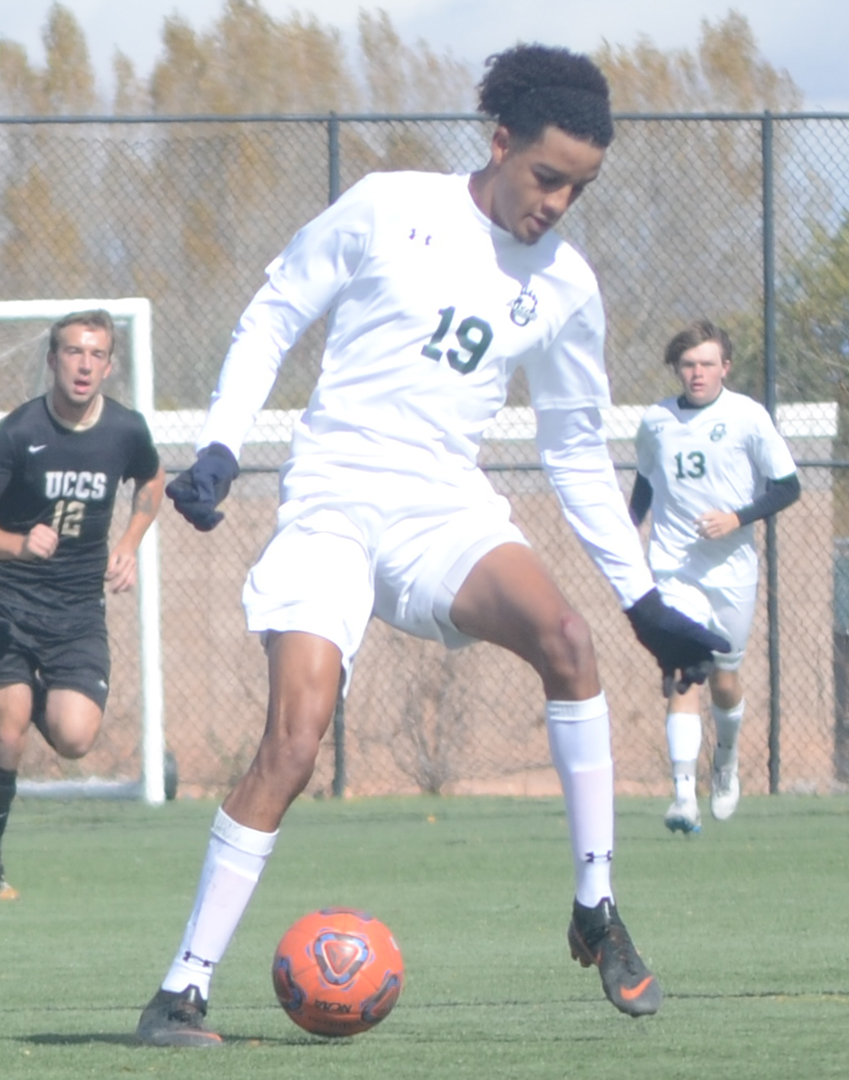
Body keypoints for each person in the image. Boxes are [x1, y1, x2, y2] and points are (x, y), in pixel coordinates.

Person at [137, 44, 727, 1047]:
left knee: (571, 644)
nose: (557, 203)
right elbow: (276, 310)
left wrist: (642, 599)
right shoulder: (388, 206)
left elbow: (576, 453)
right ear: (499, 144)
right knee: (296, 735)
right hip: (332, 501)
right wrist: (222, 446)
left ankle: (596, 906)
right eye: (547, 176)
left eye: (579, 189)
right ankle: (181, 990)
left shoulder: (569, 290)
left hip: (443, 508)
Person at [0, 308, 163, 900]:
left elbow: (151, 479)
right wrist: (18, 544)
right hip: (8, 606)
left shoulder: (124, 430)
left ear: (110, 365)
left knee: (74, 738)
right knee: (9, 726)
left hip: (76, 613)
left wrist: (127, 544)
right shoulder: (19, 433)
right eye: (73, 352)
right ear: (52, 361)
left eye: (96, 355)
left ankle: (30, 692)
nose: (84, 365)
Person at [630, 321, 801, 834]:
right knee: (685, 671)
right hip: (673, 567)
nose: (697, 373)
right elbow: (643, 485)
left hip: (729, 570)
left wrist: (736, 518)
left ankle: (724, 761)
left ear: (725, 367)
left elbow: (788, 487)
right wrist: (624, 537)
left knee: (724, 678)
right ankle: (683, 796)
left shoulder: (748, 416)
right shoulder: (656, 420)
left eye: (706, 364)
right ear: (677, 370)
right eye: (688, 365)